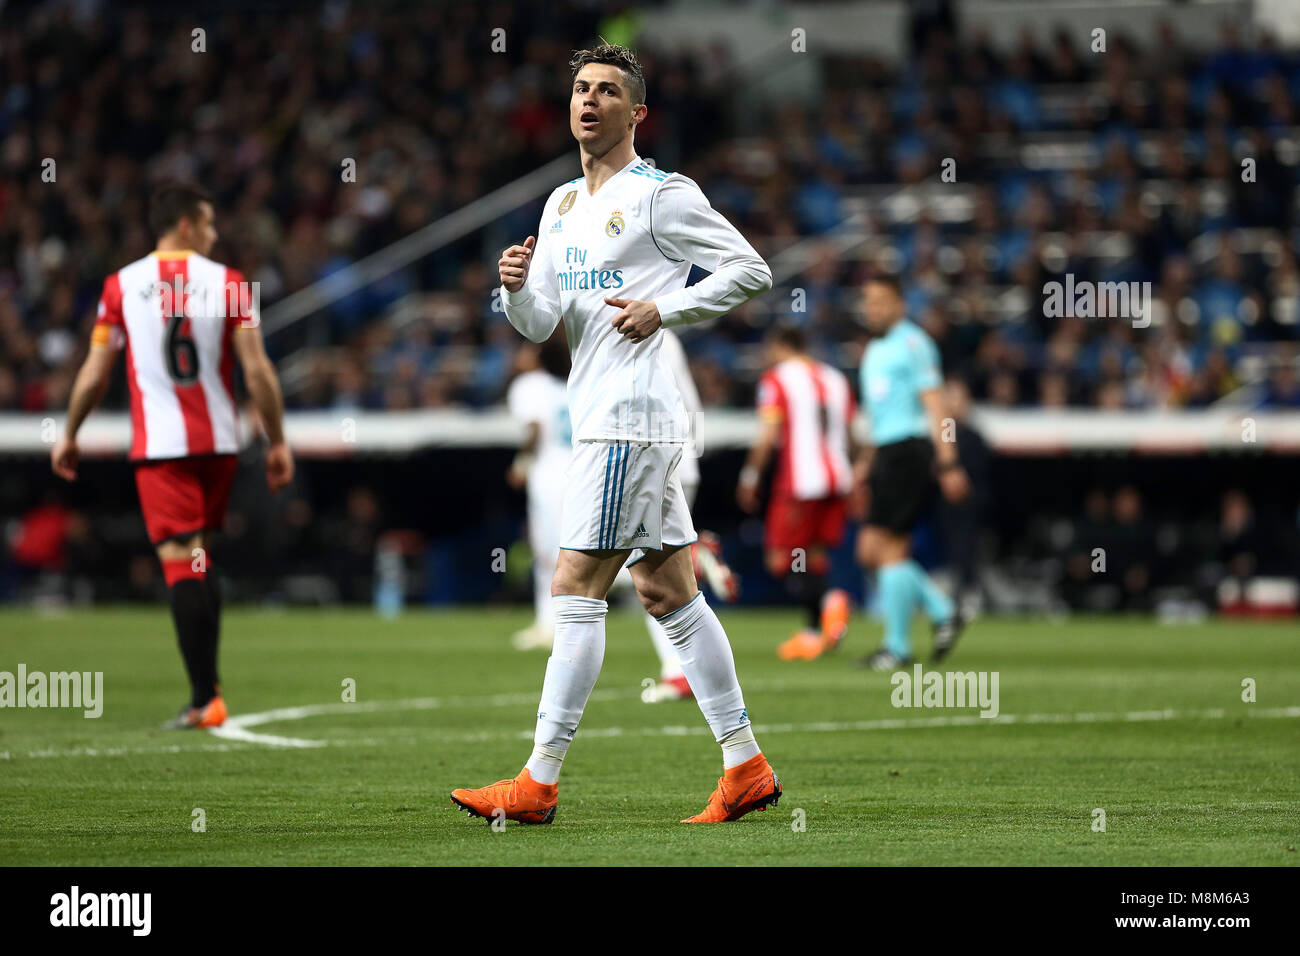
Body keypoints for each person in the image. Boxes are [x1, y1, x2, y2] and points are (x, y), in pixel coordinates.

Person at [451, 42, 778, 825]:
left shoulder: (662, 195)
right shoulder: (561, 206)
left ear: (637, 113)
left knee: (572, 586)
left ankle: (537, 782)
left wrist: (667, 308)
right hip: (603, 410)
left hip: (632, 416)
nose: (588, 100)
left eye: (605, 91)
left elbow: (752, 270)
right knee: (668, 590)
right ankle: (746, 765)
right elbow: (541, 325)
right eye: (580, 89)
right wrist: (513, 291)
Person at [51, 183, 293, 727]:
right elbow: (257, 371)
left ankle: (204, 696)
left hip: (162, 449)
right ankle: (210, 690)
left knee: (180, 563)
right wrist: (277, 441)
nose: (213, 235)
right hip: (220, 446)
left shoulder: (120, 287)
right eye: (207, 225)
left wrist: (69, 432)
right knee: (201, 556)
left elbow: (94, 373)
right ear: (184, 224)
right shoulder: (230, 284)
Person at [854, 276, 969, 671]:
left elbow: (936, 405)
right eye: (868, 303)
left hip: (909, 451)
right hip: (887, 452)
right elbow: (877, 415)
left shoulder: (913, 343)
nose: (873, 310)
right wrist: (866, 462)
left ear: (900, 305)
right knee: (868, 551)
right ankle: (942, 608)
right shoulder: (873, 350)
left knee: (889, 550)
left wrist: (949, 460)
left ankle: (897, 647)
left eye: (881, 302)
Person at [737, 325, 855, 661]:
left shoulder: (777, 379)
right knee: (813, 557)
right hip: (837, 479)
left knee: (782, 558)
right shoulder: (835, 379)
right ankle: (813, 632)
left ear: (781, 346)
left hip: (800, 483)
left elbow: (767, 435)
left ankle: (832, 600)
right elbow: (850, 430)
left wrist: (750, 477)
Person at [505, 335, 573, 651]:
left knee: (549, 553)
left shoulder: (529, 385)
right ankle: (552, 621)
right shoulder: (572, 382)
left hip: (549, 477)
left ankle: (550, 624)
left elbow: (534, 429)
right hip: (580, 471)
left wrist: (520, 464)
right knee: (571, 551)